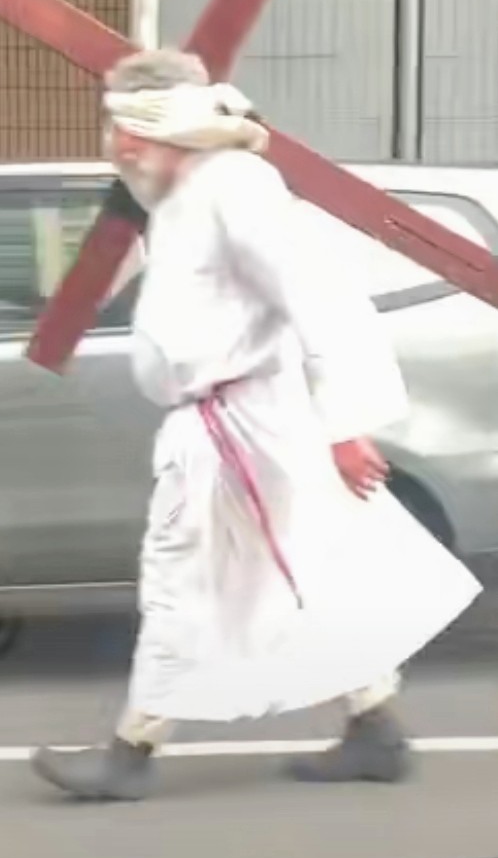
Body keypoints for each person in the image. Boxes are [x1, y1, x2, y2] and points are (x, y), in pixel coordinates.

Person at [31, 48, 480, 802]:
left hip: (238, 425)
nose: (116, 145)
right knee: (292, 573)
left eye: (127, 129)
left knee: (183, 580)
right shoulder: (183, 194)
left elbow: (321, 297)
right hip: (228, 420)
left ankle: (130, 751)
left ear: (165, 128)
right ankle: (376, 726)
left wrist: (346, 423)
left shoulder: (234, 187)